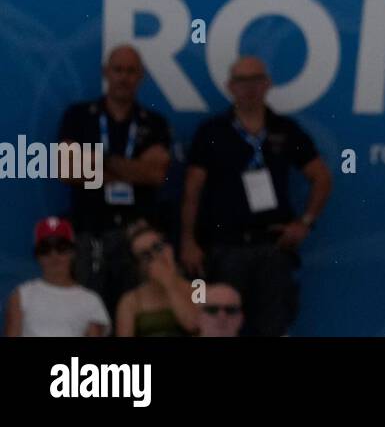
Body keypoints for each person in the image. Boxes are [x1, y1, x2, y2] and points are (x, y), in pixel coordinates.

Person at [180, 55, 333, 337]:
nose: (248, 87)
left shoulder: (285, 130)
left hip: (272, 247)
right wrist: (188, 241)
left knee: (273, 328)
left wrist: (306, 222)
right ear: (230, 86)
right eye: (241, 81)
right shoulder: (213, 131)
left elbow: (321, 177)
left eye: (255, 80)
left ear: (267, 84)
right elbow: (192, 190)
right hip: (224, 247)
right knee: (219, 328)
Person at [55, 45, 172, 317]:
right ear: (105, 72)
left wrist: (98, 160)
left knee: (139, 315)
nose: (124, 77)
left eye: (131, 71)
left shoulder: (155, 123)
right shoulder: (79, 116)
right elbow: (68, 171)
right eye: (118, 69)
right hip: (90, 233)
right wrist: (133, 168)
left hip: (139, 236)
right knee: (90, 316)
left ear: (141, 76)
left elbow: (155, 175)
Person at [4, 217, 110, 336]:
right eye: (45, 249)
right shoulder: (21, 296)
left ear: (73, 252)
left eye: (61, 247)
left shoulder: (91, 301)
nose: (54, 255)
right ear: (37, 255)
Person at [115, 223, 200, 337]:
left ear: (169, 248)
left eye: (158, 247)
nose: (155, 256)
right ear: (139, 267)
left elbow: (196, 326)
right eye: (145, 255)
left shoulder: (199, 288)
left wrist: (169, 284)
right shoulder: (130, 301)